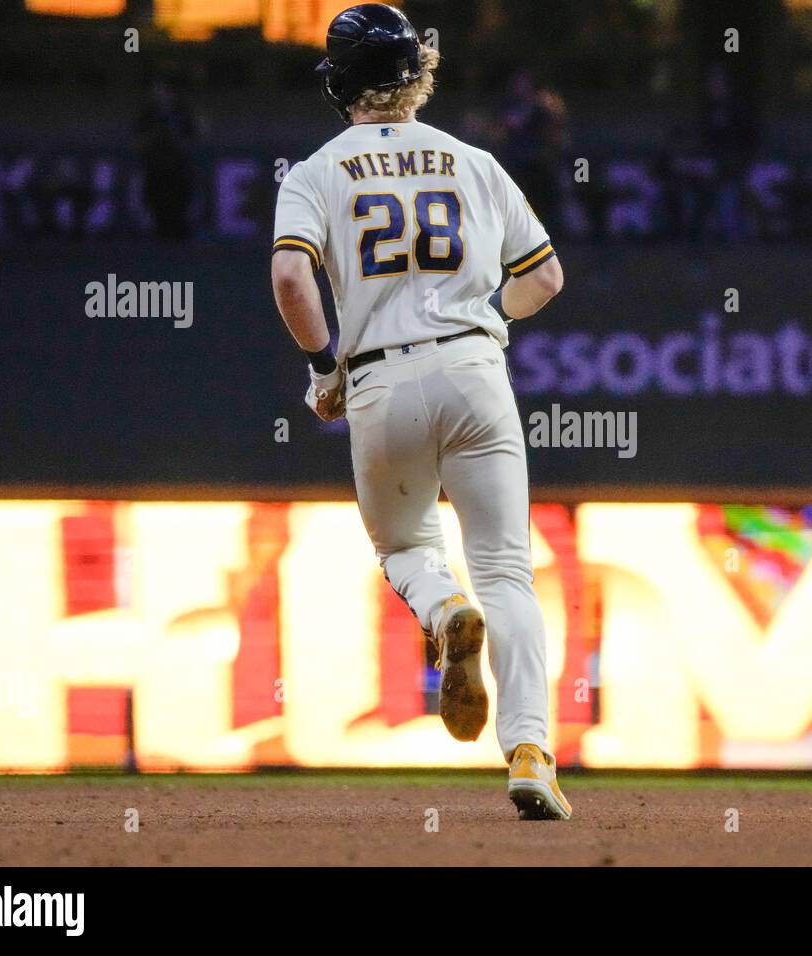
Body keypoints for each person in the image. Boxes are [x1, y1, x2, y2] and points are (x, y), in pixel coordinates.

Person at [270, 3, 570, 820]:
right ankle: (532, 755)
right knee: (508, 569)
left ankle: (442, 612)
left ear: (338, 82)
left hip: (380, 382)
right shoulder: (474, 162)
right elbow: (544, 279)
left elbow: (294, 281)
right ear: (418, 73)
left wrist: (323, 369)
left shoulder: (316, 172)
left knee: (404, 544)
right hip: (477, 372)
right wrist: (487, 319)